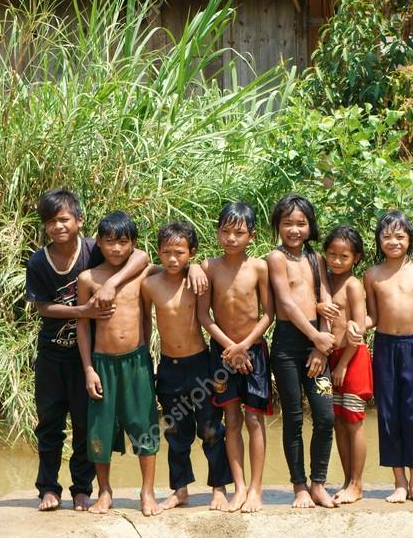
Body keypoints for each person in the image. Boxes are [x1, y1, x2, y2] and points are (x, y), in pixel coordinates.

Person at [24, 189, 151, 512]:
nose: (58, 226)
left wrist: (111, 284)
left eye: (64, 219)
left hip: (92, 356)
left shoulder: (95, 250)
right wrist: (84, 312)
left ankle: (82, 488)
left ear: (79, 221)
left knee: (85, 423)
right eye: (50, 222)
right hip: (53, 353)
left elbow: (141, 256)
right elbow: (43, 307)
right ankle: (48, 489)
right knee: (50, 422)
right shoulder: (39, 261)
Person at [142, 221, 232, 513]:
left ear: (191, 252)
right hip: (168, 365)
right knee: (175, 431)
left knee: (210, 428)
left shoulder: (198, 280)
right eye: (166, 252)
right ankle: (180, 490)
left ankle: (218, 488)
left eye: (179, 253)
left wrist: (195, 269)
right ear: (158, 252)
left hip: (199, 364)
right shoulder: (151, 284)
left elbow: (206, 314)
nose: (172, 259)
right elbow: (144, 319)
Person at [76, 212, 161, 517]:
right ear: (98, 242)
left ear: (132, 243)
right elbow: (82, 326)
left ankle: (147, 491)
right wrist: (88, 369)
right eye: (109, 241)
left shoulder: (143, 272)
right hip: (102, 364)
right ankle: (105, 491)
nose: (115, 248)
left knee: (144, 425)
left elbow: (146, 256)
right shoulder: (87, 279)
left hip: (136, 361)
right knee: (100, 427)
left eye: (122, 242)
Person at [198, 202, 274, 514]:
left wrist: (245, 346)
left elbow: (269, 313)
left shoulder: (259, 267)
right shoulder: (209, 267)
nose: (231, 238)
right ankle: (239, 487)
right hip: (223, 351)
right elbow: (204, 314)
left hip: (253, 351)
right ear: (217, 233)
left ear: (251, 236)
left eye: (239, 233)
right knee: (231, 418)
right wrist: (231, 347)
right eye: (226, 232)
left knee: (254, 418)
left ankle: (256, 488)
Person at [266, 194, 337, 509]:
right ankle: (299, 486)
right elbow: (285, 302)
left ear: (310, 226)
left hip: (316, 340)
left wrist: (322, 343)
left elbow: (326, 299)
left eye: (301, 223)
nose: (294, 229)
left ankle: (318, 482)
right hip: (287, 343)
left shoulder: (315, 258)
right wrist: (315, 338)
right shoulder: (275, 258)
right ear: (278, 226)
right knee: (293, 418)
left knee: (325, 416)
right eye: (287, 223)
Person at [363, 210, 413, 504]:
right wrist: (357, 325)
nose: (393, 241)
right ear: (379, 240)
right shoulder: (372, 275)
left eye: (399, 236)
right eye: (386, 236)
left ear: (409, 239)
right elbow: (373, 315)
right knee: (389, 412)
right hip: (384, 346)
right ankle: (399, 482)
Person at [322, 226, 372, 505]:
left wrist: (342, 365)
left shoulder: (353, 284)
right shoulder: (325, 281)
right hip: (332, 355)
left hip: (352, 357)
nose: (337, 261)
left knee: (353, 421)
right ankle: (346, 479)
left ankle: (357, 482)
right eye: (331, 254)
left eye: (344, 256)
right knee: (338, 422)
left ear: (356, 257)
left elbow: (359, 326)